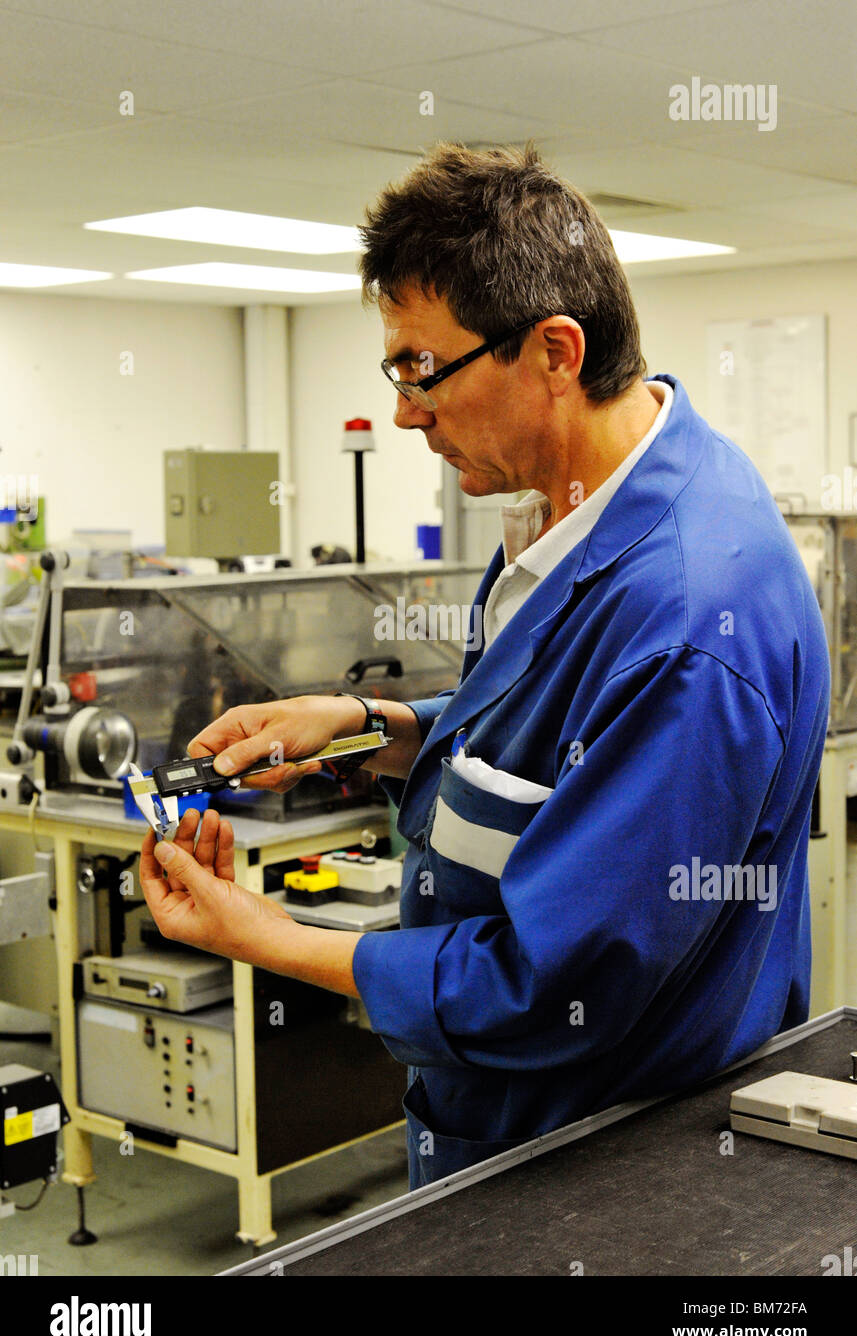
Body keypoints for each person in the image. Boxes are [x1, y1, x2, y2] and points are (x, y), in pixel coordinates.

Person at [141, 143, 830, 1189]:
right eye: (396, 371)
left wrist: (269, 937)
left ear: (554, 350)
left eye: (425, 369)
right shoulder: (581, 512)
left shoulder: (688, 623)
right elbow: (539, 740)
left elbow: (547, 983)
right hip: (513, 1130)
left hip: (597, 1169)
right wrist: (367, 726)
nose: (408, 411)